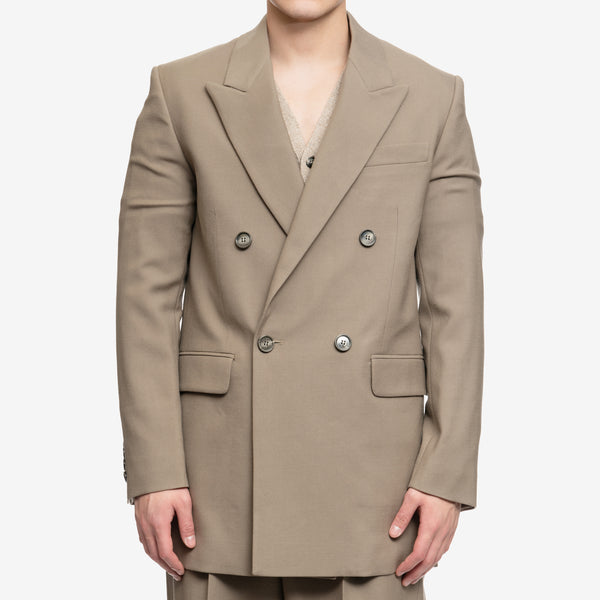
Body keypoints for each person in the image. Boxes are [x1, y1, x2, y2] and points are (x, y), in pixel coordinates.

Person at [115, 1, 484, 599]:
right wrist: (155, 468)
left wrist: (445, 474)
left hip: (375, 485)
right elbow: (144, 301)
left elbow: (455, 307)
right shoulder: (180, 92)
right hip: (221, 483)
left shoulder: (431, 97)